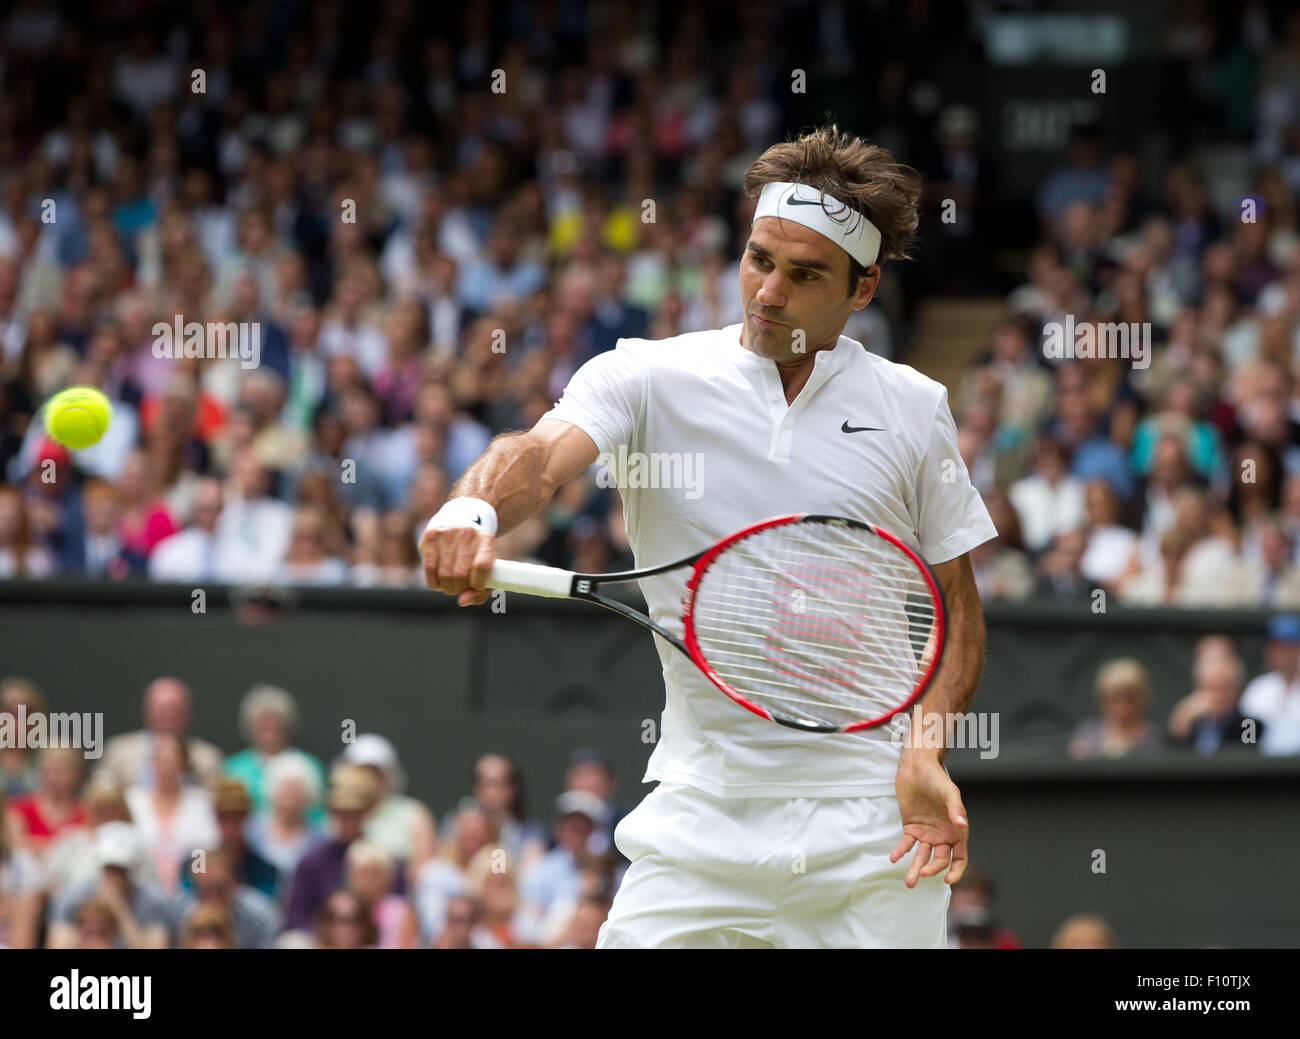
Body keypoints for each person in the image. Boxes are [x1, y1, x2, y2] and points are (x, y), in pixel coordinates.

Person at [420, 125, 995, 948]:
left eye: (804, 275)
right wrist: (471, 511)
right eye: (759, 258)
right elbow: (541, 459)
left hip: (874, 825)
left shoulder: (913, 408)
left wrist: (926, 747)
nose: (767, 292)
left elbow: (955, 606)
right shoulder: (645, 376)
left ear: (862, 288)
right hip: (699, 816)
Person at [46, 821, 171, 949]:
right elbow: (58, 944)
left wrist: (120, 911)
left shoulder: (152, 902)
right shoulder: (72, 898)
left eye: (121, 869)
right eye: (110, 868)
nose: (115, 876)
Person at [96, 676, 223, 791]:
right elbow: (101, 796)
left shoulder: (208, 758)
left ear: (188, 713)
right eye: (160, 708)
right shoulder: (118, 752)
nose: (166, 714)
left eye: (173, 708)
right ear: (147, 709)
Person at [221, 684, 326, 819]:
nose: (269, 727)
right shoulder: (233, 769)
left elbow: (318, 815)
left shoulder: (309, 765)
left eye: (275, 720)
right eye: (263, 721)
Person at [1167, 651, 1263, 754]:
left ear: (1237, 690)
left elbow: (1246, 757)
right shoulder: (1190, 723)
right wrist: (1179, 727)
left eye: (1225, 688)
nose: (1218, 696)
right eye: (1210, 688)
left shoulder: (1249, 725)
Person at [1068, 659, 1165, 759]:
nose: (1123, 705)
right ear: (1103, 699)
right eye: (1115, 698)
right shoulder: (1088, 733)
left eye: (1130, 698)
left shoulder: (1154, 737)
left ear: (1142, 698)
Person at [1239, 614, 1300, 755]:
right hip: (1264, 771)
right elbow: (1248, 740)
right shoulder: (1257, 690)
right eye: (1274, 647)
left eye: (1287, 646)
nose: (1280, 654)